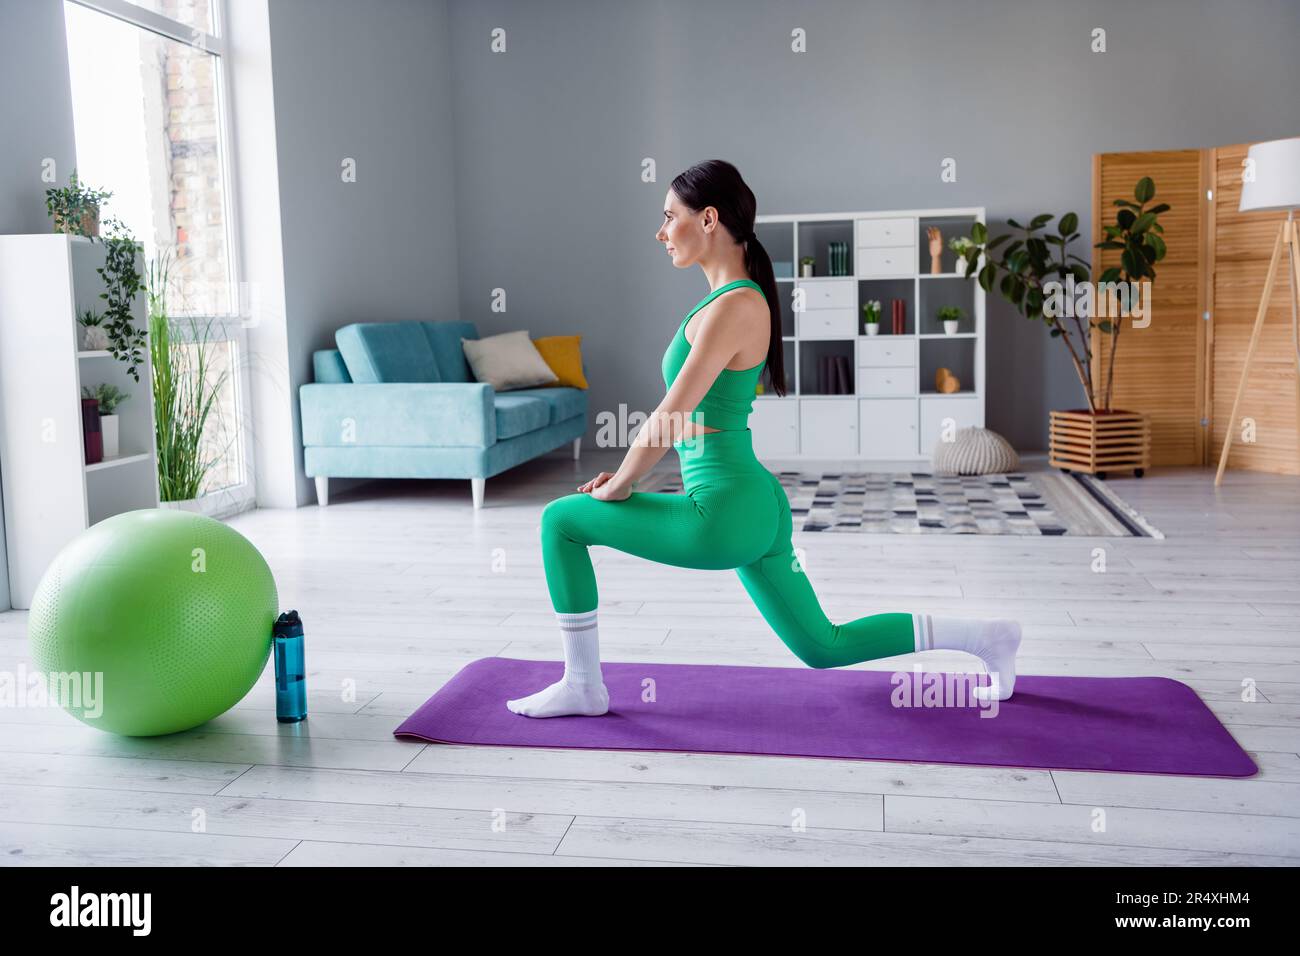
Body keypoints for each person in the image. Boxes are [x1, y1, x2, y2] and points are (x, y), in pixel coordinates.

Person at [507, 159, 1021, 718]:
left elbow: (672, 414)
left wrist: (622, 484)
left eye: (668, 217)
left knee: (560, 520)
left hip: (722, 512)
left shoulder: (735, 305)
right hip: (751, 503)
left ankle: (583, 686)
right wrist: (626, 480)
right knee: (824, 646)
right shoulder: (729, 300)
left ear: (708, 219)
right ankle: (986, 638)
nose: (659, 233)